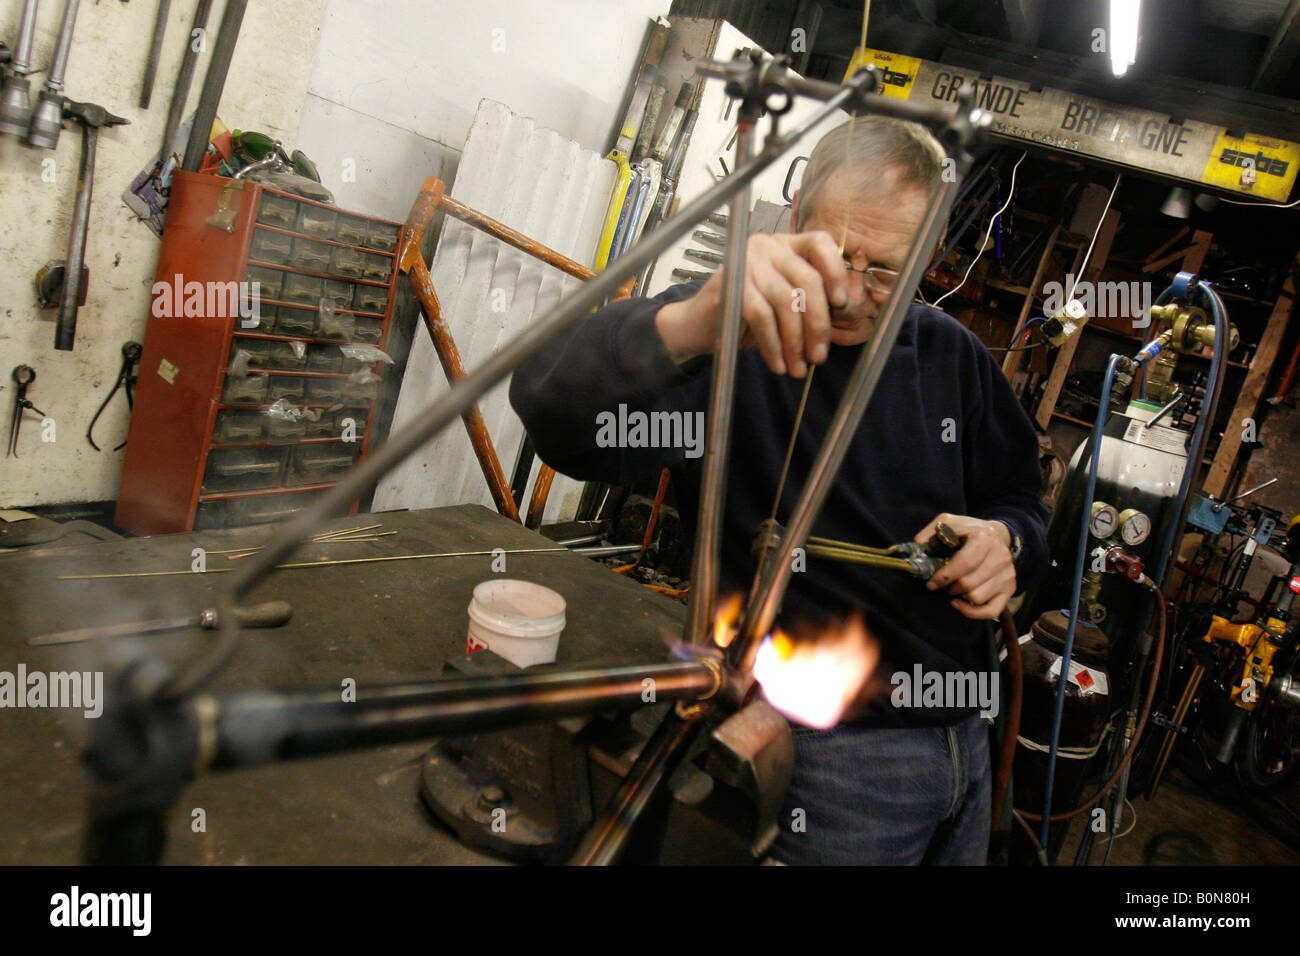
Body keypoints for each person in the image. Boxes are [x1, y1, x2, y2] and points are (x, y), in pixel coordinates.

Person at [509, 116, 1048, 865]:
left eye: (887, 270)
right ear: (795, 222)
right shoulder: (731, 338)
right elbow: (557, 425)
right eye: (837, 255)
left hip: (967, 734)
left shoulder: (950, 356)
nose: (855, 294)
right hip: (830, 761)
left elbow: (1022, 495)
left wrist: (1007, 541)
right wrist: (688, 326)